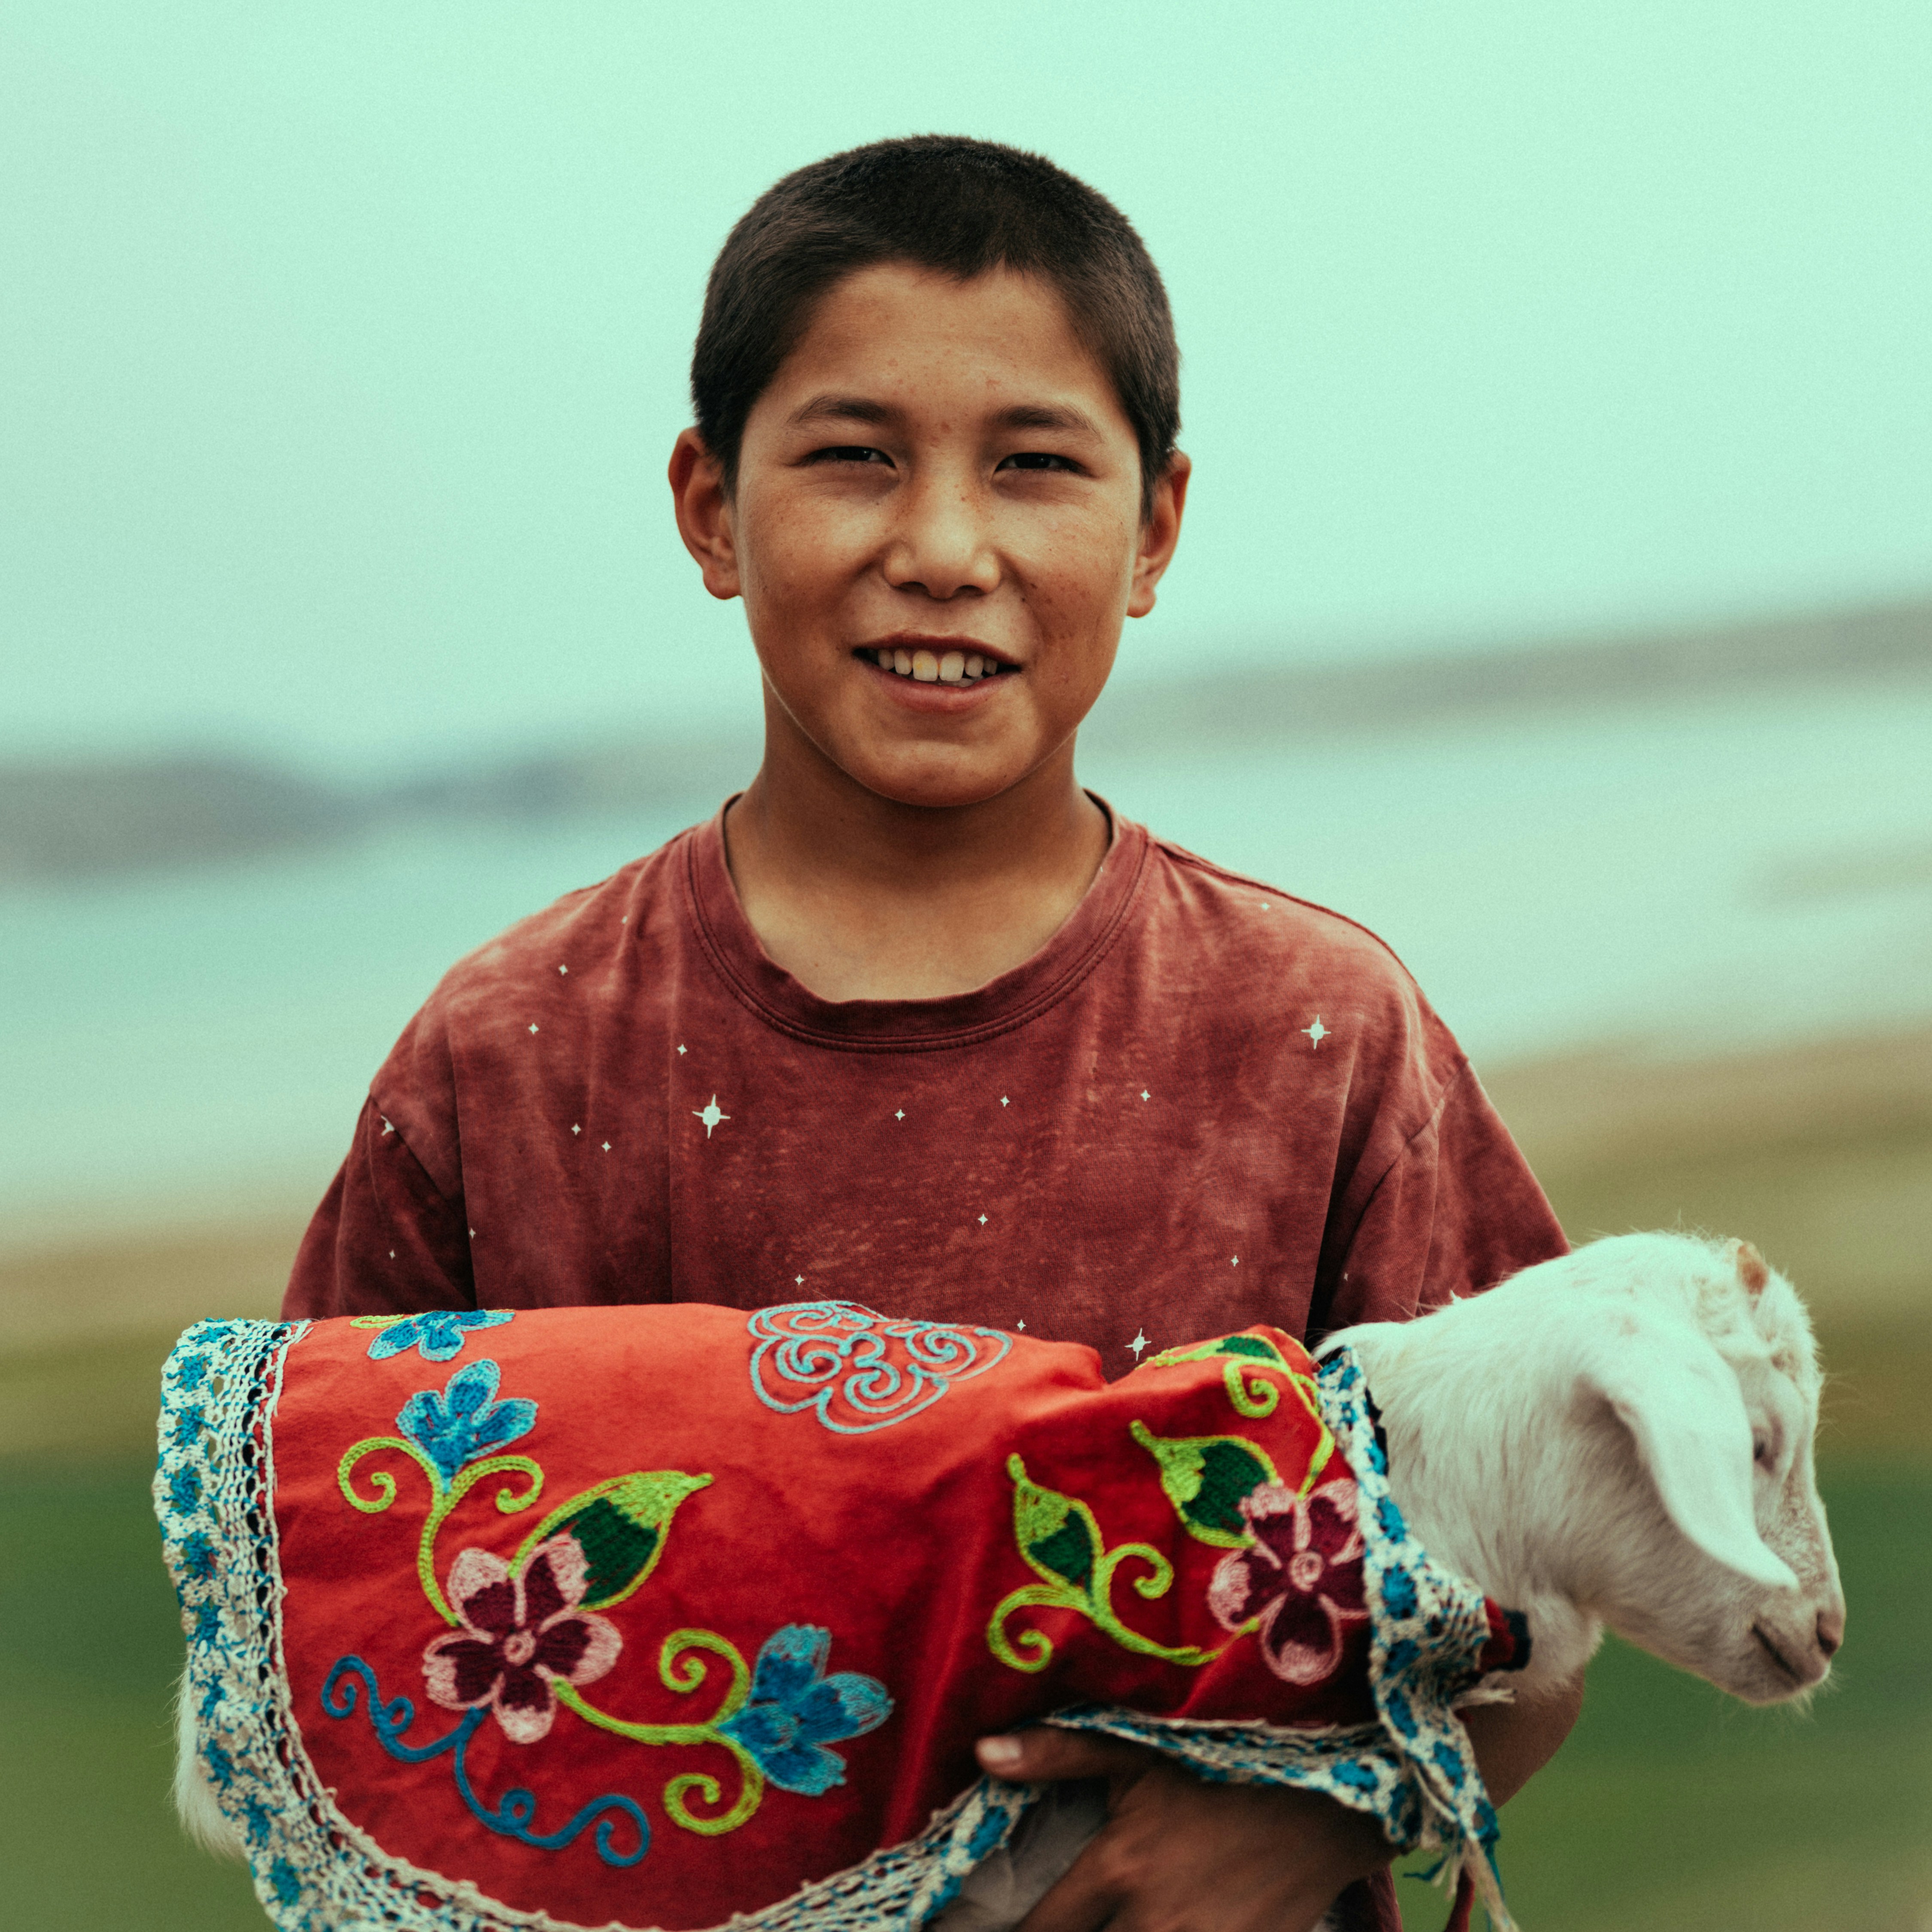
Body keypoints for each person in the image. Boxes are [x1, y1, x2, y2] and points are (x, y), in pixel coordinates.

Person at [284, 135, 1581, 1932]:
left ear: (1156, 530)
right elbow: (329, 1613)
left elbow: (1543, 1598)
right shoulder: (511, 1057)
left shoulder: (1318, 1033)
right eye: (854, 459)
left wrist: (1320, 1818)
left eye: (1036, 466)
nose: (945, 549)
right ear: (712, 509)